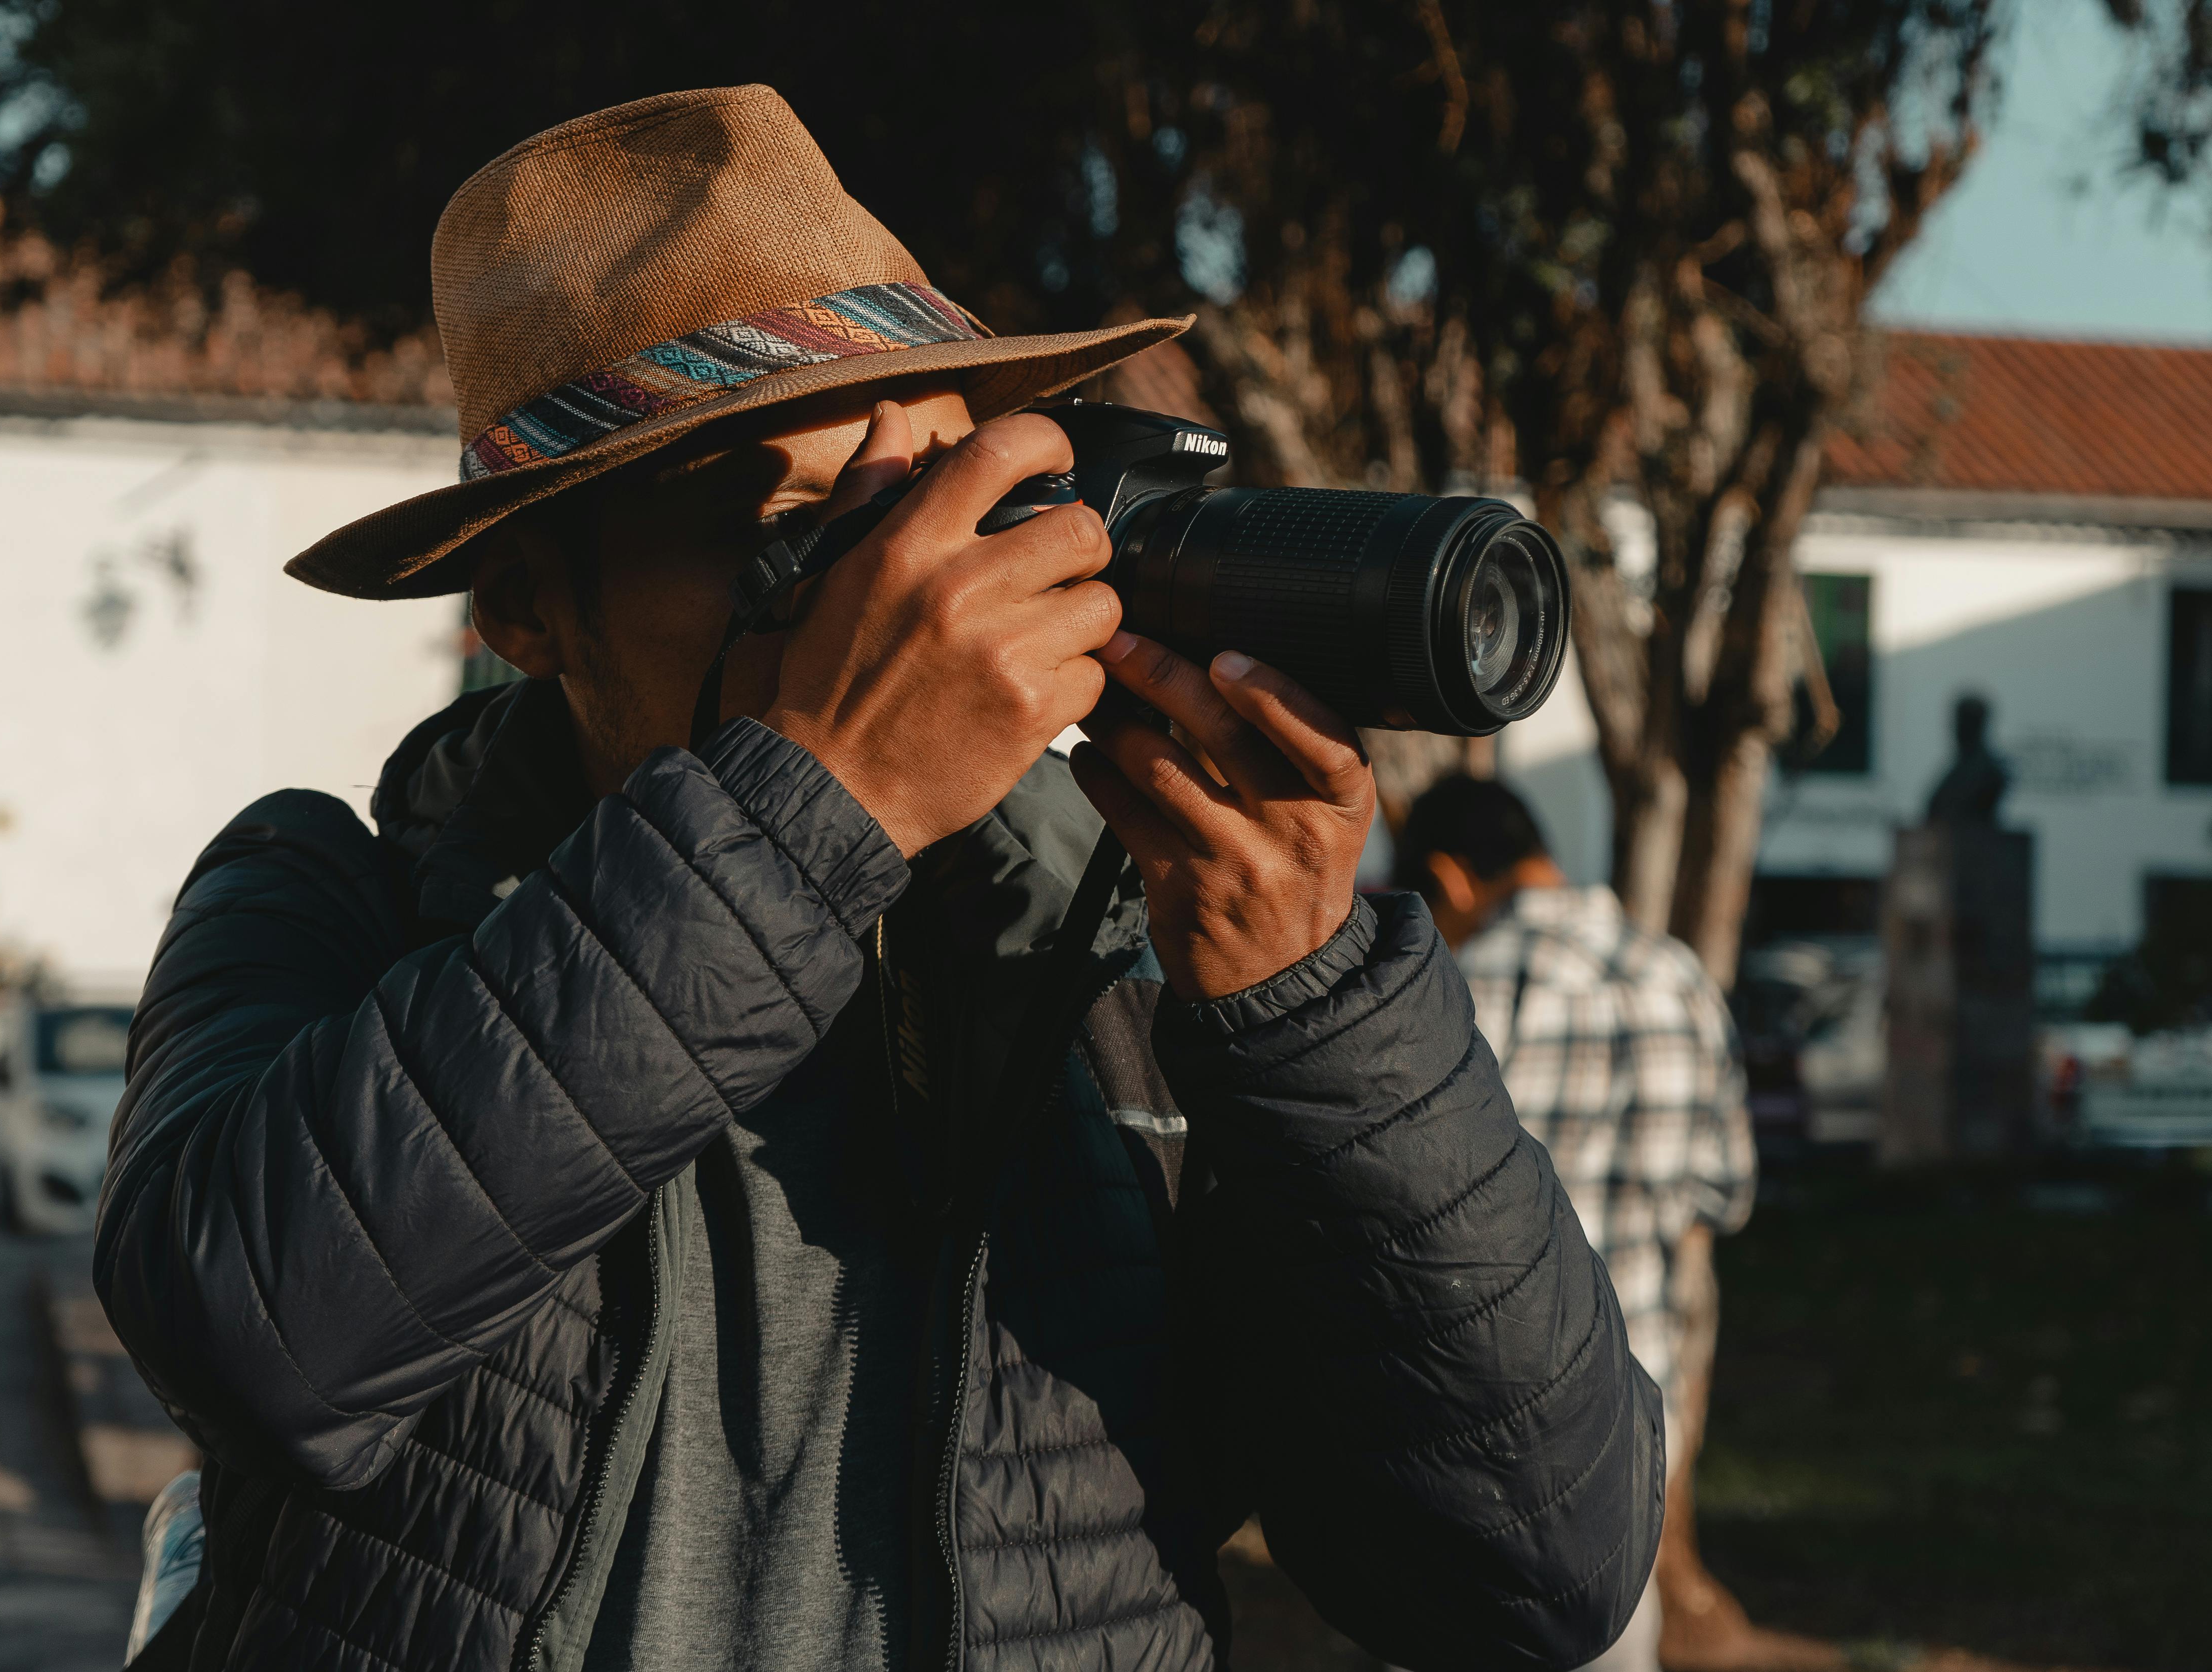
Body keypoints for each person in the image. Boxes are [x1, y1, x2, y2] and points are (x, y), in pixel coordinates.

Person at [99, 87, 1661, 1672]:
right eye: (794, 519)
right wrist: (816, 794)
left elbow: (1533, 1575)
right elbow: (254, 1336)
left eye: (935, 501)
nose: (903, 588)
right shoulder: (329, 903)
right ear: (526, 609)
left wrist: (1309, 1001)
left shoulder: (1110, 975)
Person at [1394, 777, 1826, 1672]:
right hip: (1626, 1421)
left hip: (1466, 1409)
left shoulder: (1451, 988)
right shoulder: (1678, 977)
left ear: (1451, 878)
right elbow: (1723, 1196)